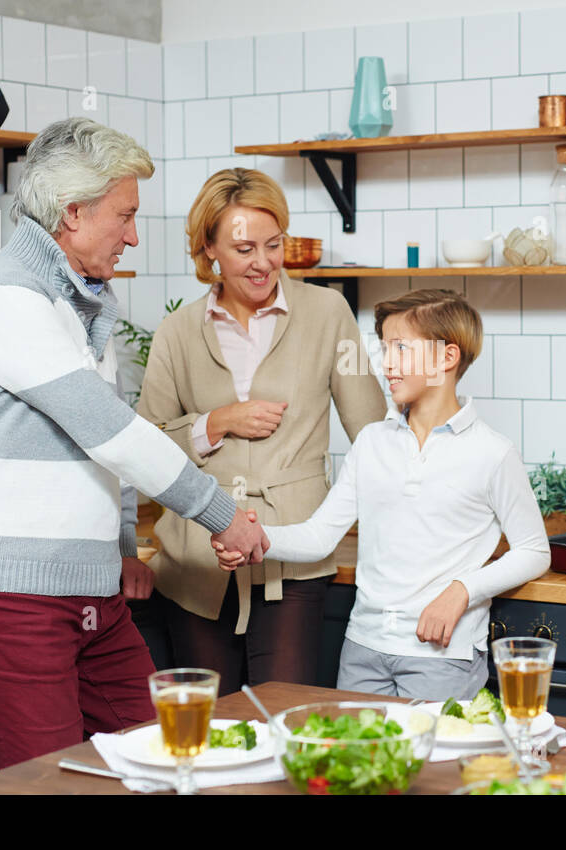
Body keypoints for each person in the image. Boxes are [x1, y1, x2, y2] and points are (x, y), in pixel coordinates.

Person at [0, 117, 267, 768]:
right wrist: (222, 515)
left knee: (169, 766)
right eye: (125, 216)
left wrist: (117, 550)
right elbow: (113, 433)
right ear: (73, 213)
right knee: (56, 788)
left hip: (89, 600)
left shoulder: (74, 309)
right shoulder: (8, 300)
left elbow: (104, 447)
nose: (133, 236)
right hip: (9, 603)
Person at [213, 289, 550, 700]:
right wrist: (254, 536)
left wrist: (462, 590)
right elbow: (321, 535)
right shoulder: (372, 442)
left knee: (433, 766)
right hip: (362, 650)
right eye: (386, 348)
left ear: (447, 358)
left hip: (441, 656)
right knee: (357, 763)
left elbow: (534, 550)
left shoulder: (492, 453)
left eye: (402, 349)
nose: (387, 364)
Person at [135, 167, 387, 693]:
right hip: (196, 561)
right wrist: (215, 422)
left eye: (274, 245)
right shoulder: (177, 332)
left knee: (285, 719)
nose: (263, 262)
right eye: (244, 248)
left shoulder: (328, 313)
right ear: (209, 250)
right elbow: (144, 448)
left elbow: (374, 434)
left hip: (292, 557)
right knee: (211, 731)